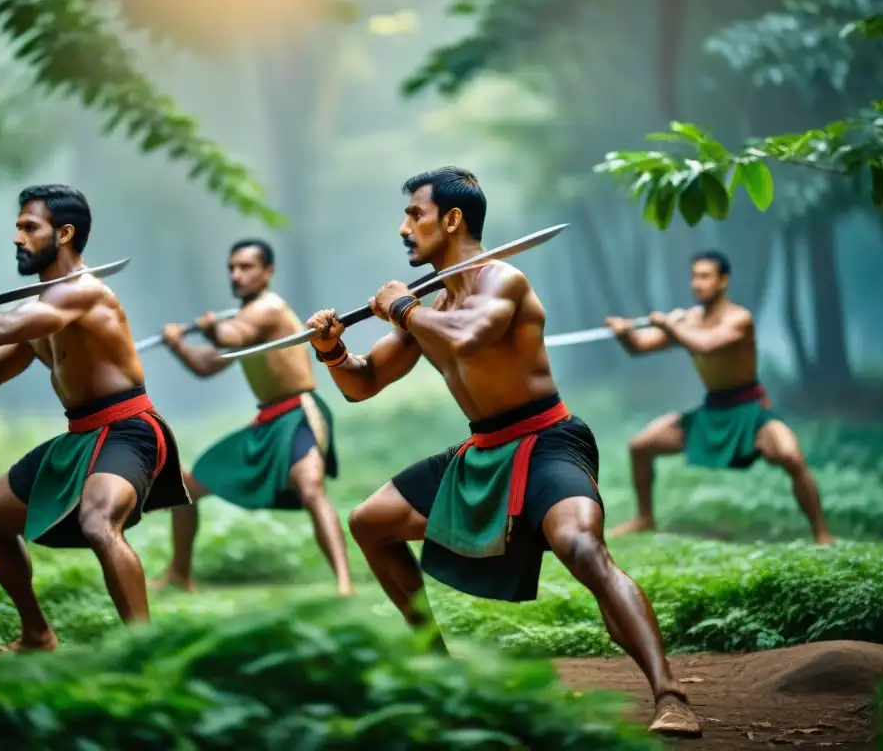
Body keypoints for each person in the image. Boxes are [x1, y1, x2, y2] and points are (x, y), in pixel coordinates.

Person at [304, 166, 701, 738]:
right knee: (370, 522)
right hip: (482, 449)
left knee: (583, 548)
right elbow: (364, 384)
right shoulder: (431, 302)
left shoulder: (502, 282)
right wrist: (333, 349)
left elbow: (467, 337)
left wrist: (400, 309)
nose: (403, 229)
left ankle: (671, 694)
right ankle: (440, 674)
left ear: (452, 219)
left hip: (546, 441)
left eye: (414, 215)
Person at [0, 184, 190, 657]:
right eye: (17, 227)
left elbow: (0, 327)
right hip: (80, 436)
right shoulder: (44, 311)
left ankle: (146, 653)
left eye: (29, 227)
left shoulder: (84, 292)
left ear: (65, 233)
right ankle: (37, 635)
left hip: (129, 428)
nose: (17, 237)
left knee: (99, 521)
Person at [152, 238, 352, 596]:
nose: (236, 274)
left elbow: (233, 335)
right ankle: (180, 574)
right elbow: (206, 365)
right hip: (268, 421)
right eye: (232, 267)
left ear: (267, 272)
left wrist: (212, 327)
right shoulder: (246, 316)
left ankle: (345, 585)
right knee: (186, 488)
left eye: (246, 267)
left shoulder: (269, 308)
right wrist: (178, 344)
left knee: (310, 488)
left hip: (299, 413)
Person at [604, 250, 833, 544]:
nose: (697, 284)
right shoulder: (688, 320)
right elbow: (639, 347)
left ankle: (822, 533)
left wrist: (671, 325)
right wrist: (623, 332)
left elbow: (707, 345)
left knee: (790, 456)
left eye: (705, 276)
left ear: (723, 281)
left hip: (750, 409)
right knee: (641, 446)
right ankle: (645, 518)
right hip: (713, 409)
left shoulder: (739, 319)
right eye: (694, 276)